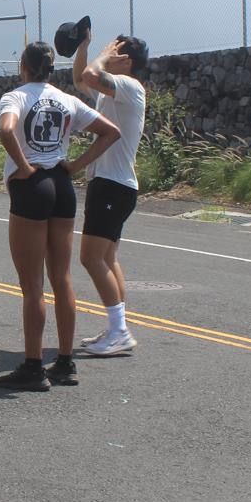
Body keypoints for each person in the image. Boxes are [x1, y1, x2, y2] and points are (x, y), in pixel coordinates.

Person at [0, 41, 121, 392]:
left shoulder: (15, 97)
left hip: (32, 186)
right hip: (62, 187)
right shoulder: (67, 100)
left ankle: (34, 367)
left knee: (33, 286)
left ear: (24, 67)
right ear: (50, 68)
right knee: (61, 278)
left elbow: (7, 130)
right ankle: (65, 362)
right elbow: (111, 131)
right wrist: (76, 166)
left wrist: (23, 166)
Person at [68, 25, 151, 358]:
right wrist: (84, 47)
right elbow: (80, 78)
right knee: (106, 257)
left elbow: (90, 74)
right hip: (114, 185)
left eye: (115, 51)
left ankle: (119, 331)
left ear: (126, 61)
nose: (109, 54)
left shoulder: (129, 86)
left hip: (113, 186)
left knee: (90, 257)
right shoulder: (112, 92)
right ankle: (117, 327)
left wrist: (100, 57)